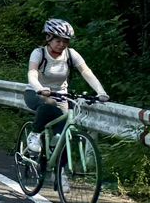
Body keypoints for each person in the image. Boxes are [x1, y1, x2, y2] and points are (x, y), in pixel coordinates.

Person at [24, 18, 109, 155]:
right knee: (48, 104)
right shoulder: (39, 53)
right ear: (48, 38)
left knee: (64, 137)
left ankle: (61, 173)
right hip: (36, 93)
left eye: (65, 41)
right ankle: (35, 134)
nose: (62, 44)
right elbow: (32, 73)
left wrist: (100, 91)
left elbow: (86, 72)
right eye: (58, 41)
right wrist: (40, 88)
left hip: (61, 95)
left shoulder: (71, 54)